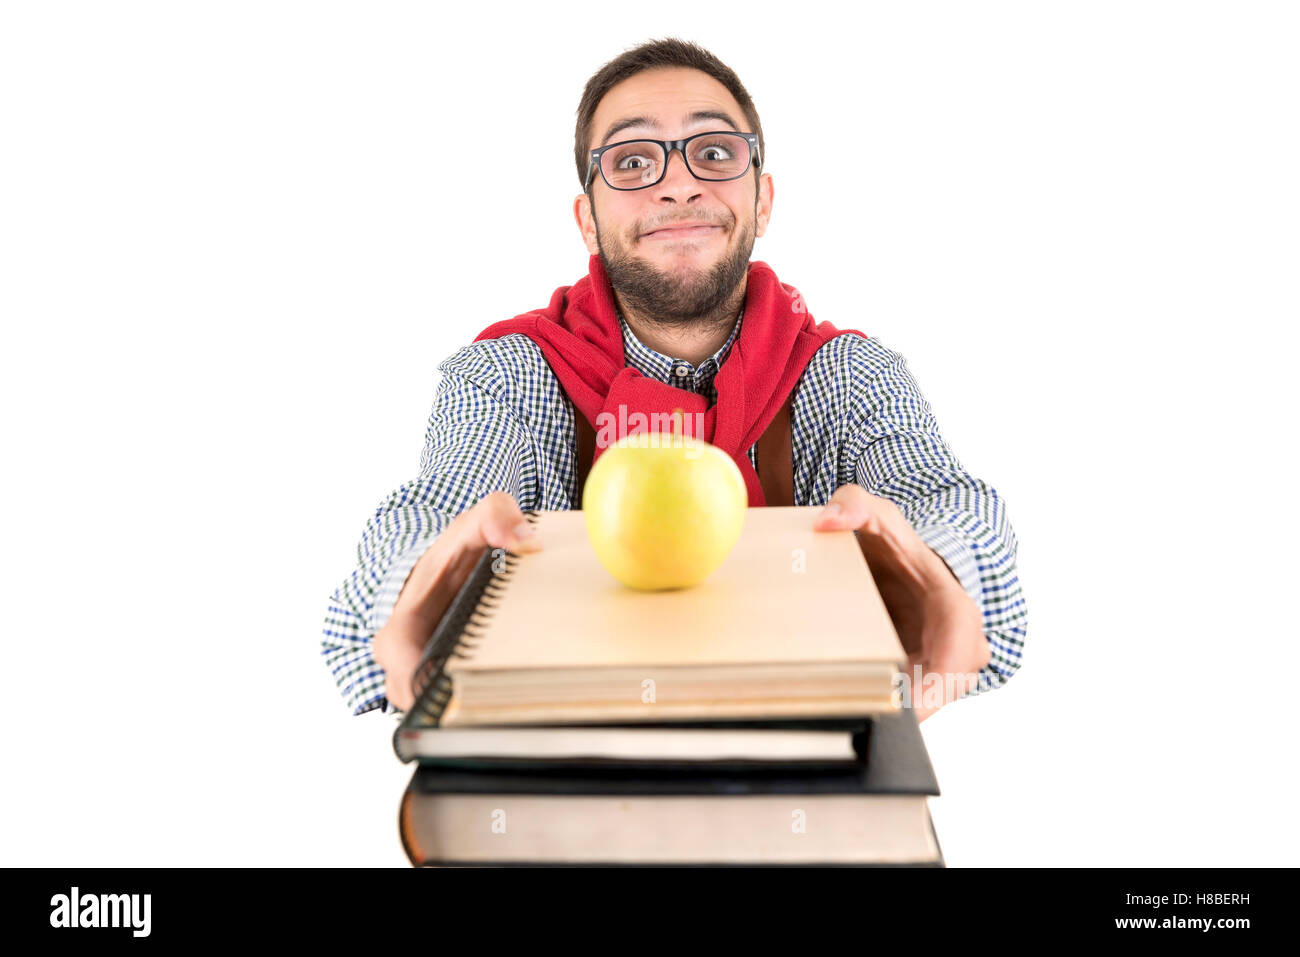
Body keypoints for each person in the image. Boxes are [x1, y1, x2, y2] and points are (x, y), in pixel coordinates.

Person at [320, 38, 1027, 722]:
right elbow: (431, 516)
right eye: (631, 161)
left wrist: (936, 573)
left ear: (764, 200)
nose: (679, 183)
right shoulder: (507, 377)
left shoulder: (848, 376)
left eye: (715, 153)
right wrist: (421, 584)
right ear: (588, 221)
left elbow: (951, 506)